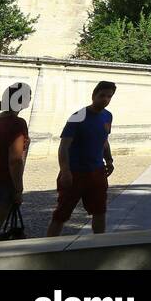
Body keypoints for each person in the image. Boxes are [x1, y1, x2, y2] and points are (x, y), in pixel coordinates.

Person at [47, 81, 116, 236]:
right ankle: (49, 246)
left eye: (109, 96)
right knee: (62, 213)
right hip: (75, 172)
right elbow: (64, 146)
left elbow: (104, 140)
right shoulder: (78, 117)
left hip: (97, 172)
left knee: (100, 210)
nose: (105, 99)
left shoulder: (108, 116)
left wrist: (109, 160)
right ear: (93, 96)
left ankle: (98, 244)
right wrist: (65, 171)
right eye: (102, 95)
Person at [0, 83, 31, 242]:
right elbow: (15, 160)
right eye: (28, 97)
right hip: (0, 181)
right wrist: (18, 189)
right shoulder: (17, 123)